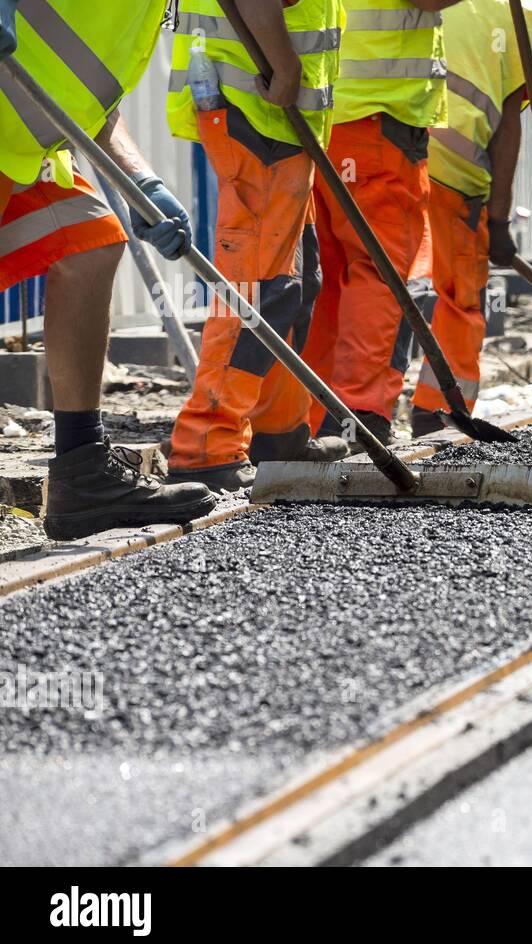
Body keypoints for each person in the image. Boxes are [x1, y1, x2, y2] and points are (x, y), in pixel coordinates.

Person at [0, 0, 215, 541]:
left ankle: (82, 471)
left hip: (21, 137)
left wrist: (139, 179)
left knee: (91, 247)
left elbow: (82, 95)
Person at [166, 0, 350, 492]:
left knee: (293, 283)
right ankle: (207, 441)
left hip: (276, 120)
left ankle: (279, 432)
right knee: (257, 289)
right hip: (259, 111)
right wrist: (286, 66)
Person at [300, 0, 455, 450]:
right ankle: (357, 413)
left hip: (317, 114)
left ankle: (310, 418)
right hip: (376, 117)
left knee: (324, 279)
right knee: (378, 271)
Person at [410, 0, 532, 437]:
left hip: (381, 151)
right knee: (459, 299)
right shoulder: (520, 17)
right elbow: (509, 128)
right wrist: (499, 220)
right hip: (455, 178)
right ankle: (439, 412)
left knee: (369, 289)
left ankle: (354, 415)